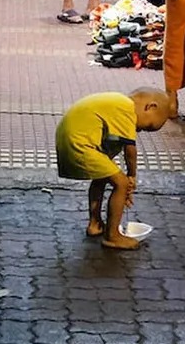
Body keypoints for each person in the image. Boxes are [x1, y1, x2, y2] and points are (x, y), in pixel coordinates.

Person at [55, 88, 172, 250]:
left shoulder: (117, 104)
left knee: (102, 177)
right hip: (79, 143)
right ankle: (112, 236)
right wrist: (131, 177)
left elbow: (110, 147)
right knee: (121, 183)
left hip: (69, 139)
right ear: (150, 107)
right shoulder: (127, 109)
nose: (138, 131)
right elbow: (130, 150)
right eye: (147, 127)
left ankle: (95, 224)